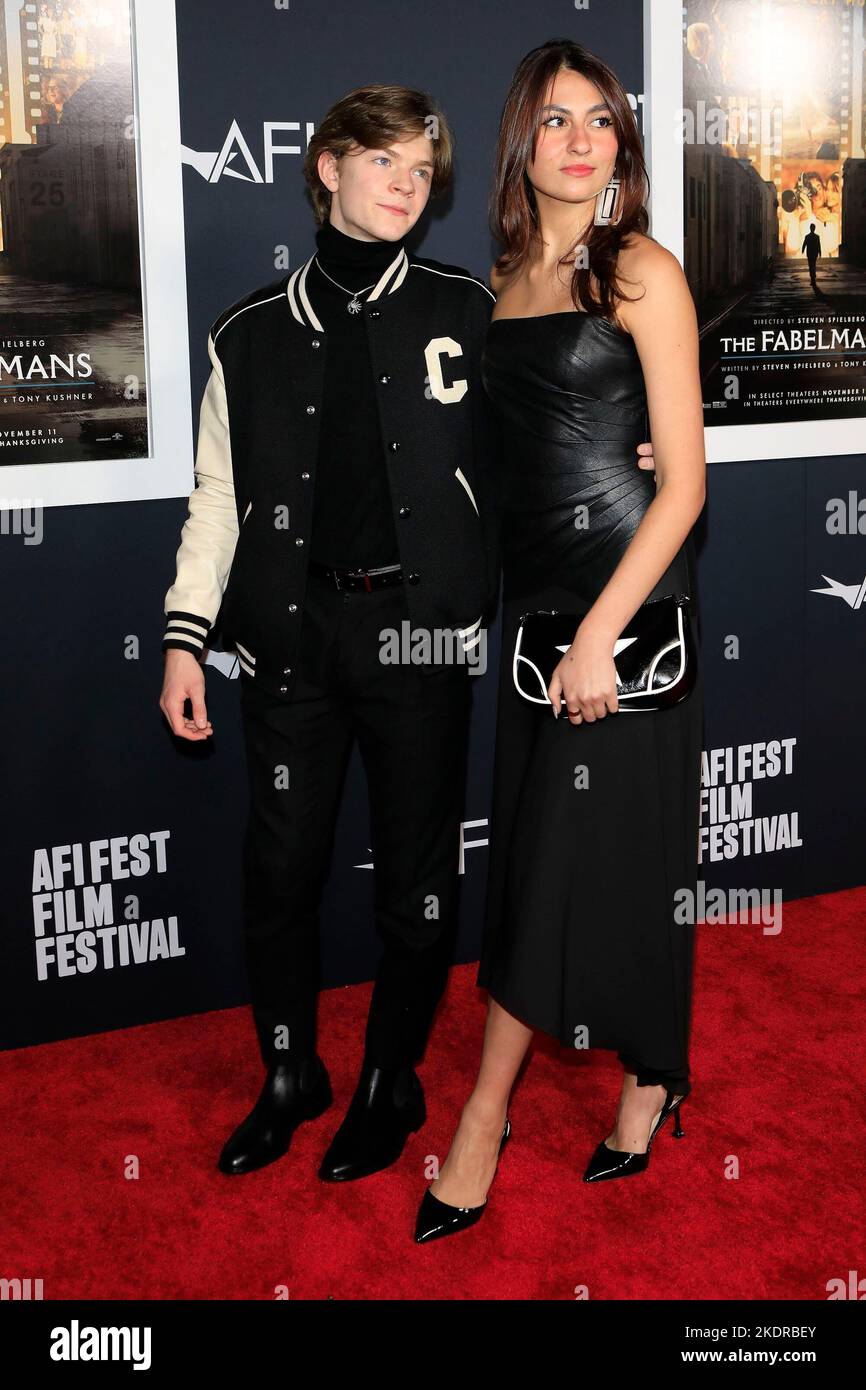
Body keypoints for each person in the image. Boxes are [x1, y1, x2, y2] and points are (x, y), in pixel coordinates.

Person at [159, 83, 657, 1188]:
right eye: (381, 161)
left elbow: (555, 408)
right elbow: (215, 494)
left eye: (421, 172)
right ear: (325, 167)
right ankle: (289, 1074)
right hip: (287, 634)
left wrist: (630, 455)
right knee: (279, 869)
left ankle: (391, 1077)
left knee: (417, 880)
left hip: (420, 634)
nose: (404, 183)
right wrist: (184, 637)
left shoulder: (464, 306)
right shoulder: (244, 333)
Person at [415, 40, 706, 1243]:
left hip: (622, 610)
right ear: (519, 147)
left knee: (562, 866)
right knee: (585, 861)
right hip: (534, 608)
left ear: (620, 145)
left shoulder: (638, 267)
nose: (579, 141)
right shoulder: (505, 280)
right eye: (553, 122)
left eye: (599, 120)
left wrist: (597, 631)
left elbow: (683, 483)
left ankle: (484, 1115)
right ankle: (652, 1069)